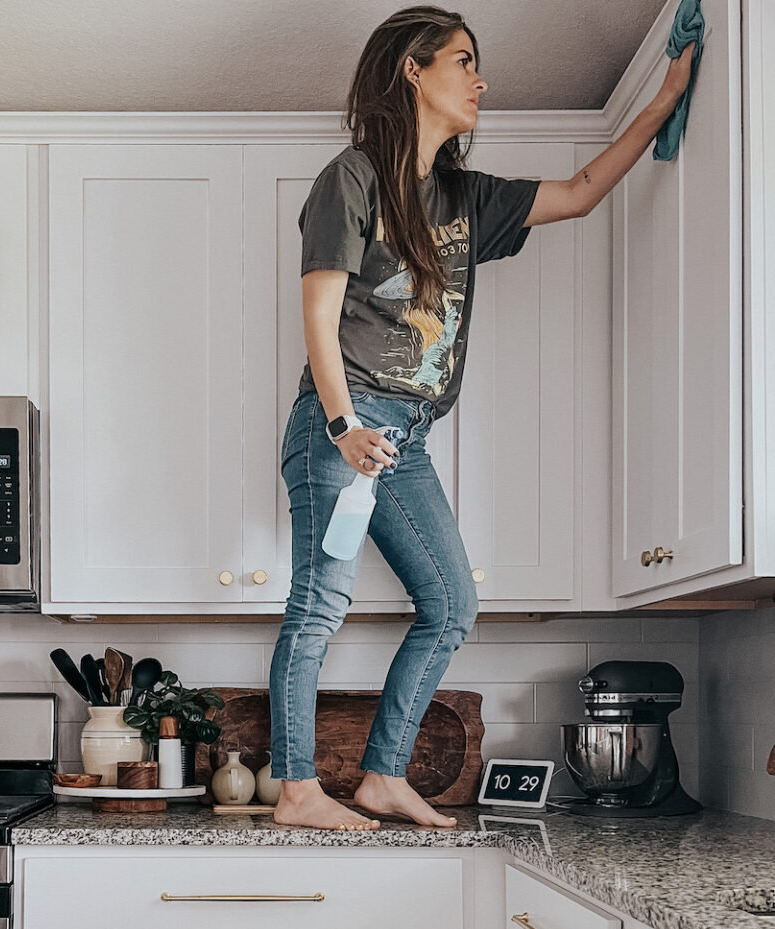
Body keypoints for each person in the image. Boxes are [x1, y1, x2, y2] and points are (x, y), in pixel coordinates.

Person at [269, 5, 695, 830]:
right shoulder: (351, 179)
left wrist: (664, 96)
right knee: (318, 605)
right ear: (412, 70)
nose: (480, 78)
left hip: (408, 440)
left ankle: (382, 776)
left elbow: (578, 193)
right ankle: (295, 789)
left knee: (452, 604)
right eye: (463, 60)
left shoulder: (465, 197)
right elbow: (318, 319)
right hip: (345, 428)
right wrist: (340, 426)